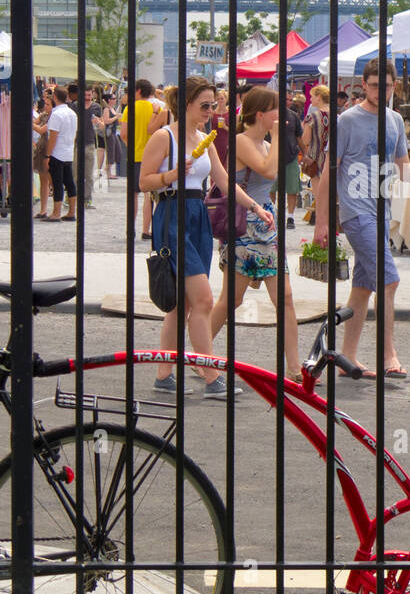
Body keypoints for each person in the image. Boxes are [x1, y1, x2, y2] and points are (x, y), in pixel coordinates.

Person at [140, 79, 269, 398]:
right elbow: (144, 182)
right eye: (205, 106)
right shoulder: (163, 136)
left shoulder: (205, 140)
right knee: (204, 300)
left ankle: (163, 374)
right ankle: (211, 377)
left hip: (197, 216)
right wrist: (172, 175)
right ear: (184, 104)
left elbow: (225, 182)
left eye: (214, 105)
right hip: (172, 214)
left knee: (180, 304)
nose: (212, 112)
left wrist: (255, 206)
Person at [314, 58, 410, 378]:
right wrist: (322, 222)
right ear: (363, 85)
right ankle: (389, 354)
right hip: (356, 213)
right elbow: (327, 173)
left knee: (364, 286)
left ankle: (347, 357)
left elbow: (403, 167)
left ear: (394, 86)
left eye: (387, 85)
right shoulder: (346, 121)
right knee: (389, 280)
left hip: (381, 212)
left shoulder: (393, 121)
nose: (382, 90)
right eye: (375, 84)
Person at [208, 87, 299, 380]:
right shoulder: (243, 141)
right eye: (276, 110)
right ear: (260, 114)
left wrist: (274, 137)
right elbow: (269, 171)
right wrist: (275, 137)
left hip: (266, 223)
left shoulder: (264, 141)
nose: (282, 115)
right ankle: (200, 353)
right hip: (243, 223)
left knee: (284, 296)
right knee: (231, 299)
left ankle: (295, 368)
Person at [120, 78, 158, 240]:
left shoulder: (130, 108)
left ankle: (130, 229)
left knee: (133, 194)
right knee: (148, 195)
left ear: (138, 91)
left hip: (134, 155)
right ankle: (146, 229)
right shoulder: (156, 108)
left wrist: (131, 146)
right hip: (152, 157)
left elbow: (123, 134)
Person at [45, 85, 79, 221]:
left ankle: (56, 212)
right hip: (68, 151)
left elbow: (53, 137)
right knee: (69, 182)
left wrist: (47, 155)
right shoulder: (72, 113)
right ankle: (71, 212)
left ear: (54, 97)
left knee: (57, 182)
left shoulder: (56, 114)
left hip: (57, 152)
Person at [300, 84, 331, 220]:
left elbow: (305, 140)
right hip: (331, 160)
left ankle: (321, 226)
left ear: (319, 97)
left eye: (312, 96)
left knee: (319, 197)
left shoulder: (312, 117)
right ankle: (331, 227)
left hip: (316, 160)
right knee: (330, 196)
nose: (310, 99)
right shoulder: (337, 116)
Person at [280, 87, 304, 229]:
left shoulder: (293, 116)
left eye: (290, 100)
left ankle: (290, 217)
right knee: (272, 187)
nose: (288, 102)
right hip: (273, 156)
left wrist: (305, 154)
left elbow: (298, 137)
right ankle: (275, 213)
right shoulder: (271, 114)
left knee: (292, 188)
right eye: (286, 99)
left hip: (291, 155)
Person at [33, 90, 54, 217]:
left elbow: (41, 130)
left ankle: (54, 208)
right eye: (45, 104)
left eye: (48, 104)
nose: (45, 106)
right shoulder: (43, 116)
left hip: (51, 149)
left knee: (52, 180)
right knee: (43, 180)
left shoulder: (54, 117)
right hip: (42, 148)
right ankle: (43, 209)